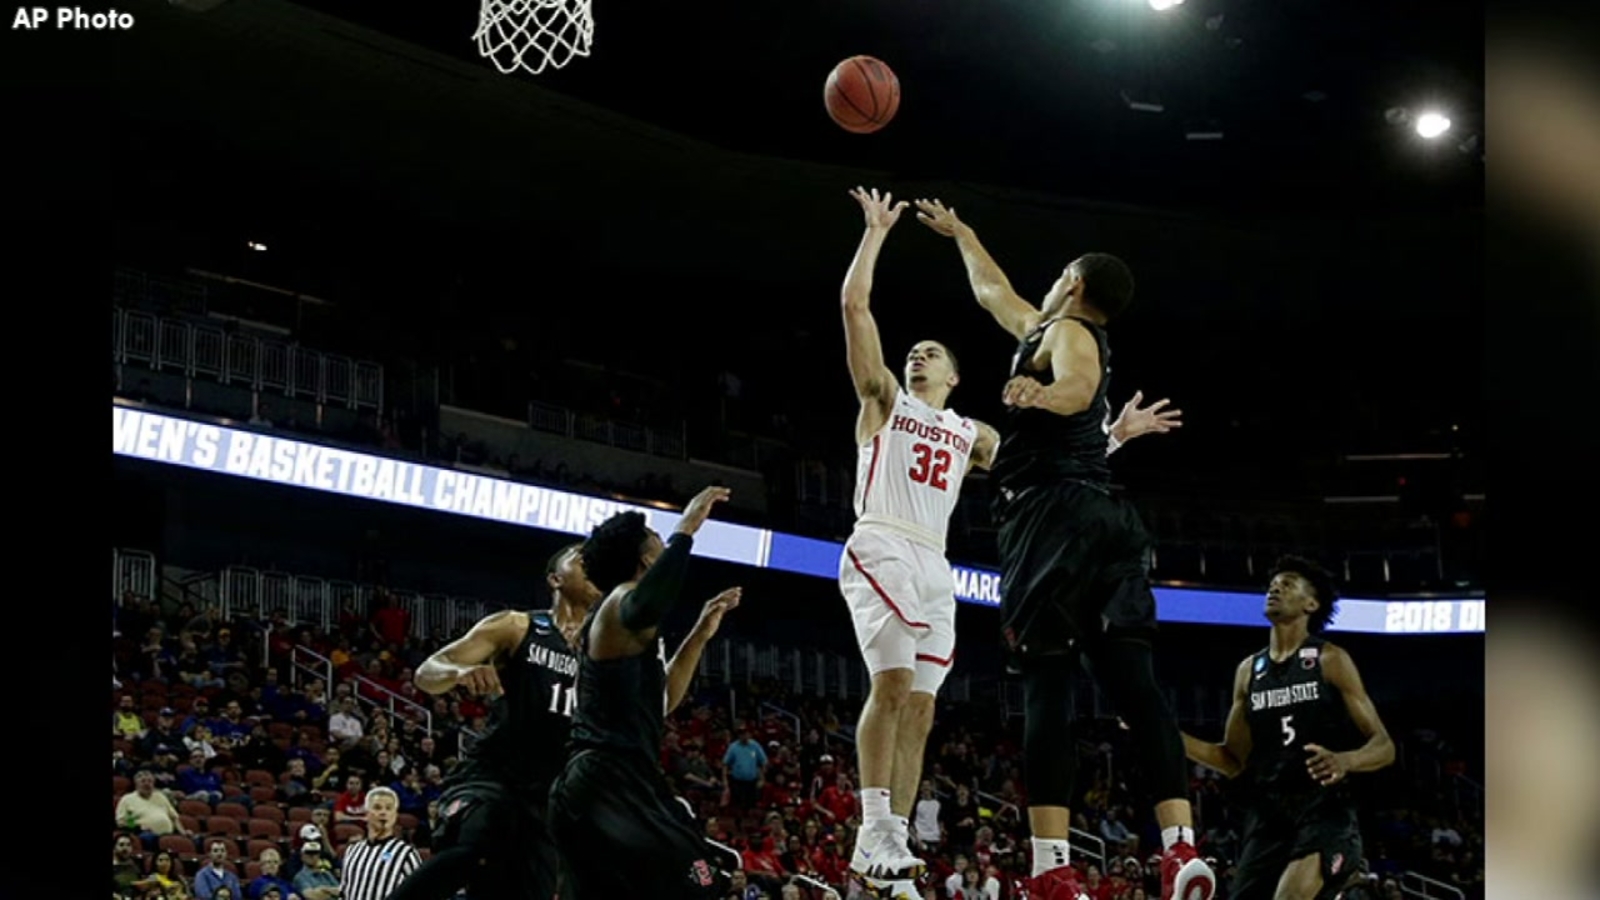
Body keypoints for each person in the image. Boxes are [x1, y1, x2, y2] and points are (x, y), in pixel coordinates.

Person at [914, 197, 1208, 900]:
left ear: (1073, 282)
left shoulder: (1070, 332)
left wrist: (1043, 398)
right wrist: (965, 233)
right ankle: (1181, 849)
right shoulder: (1047, 328)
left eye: (1056, 276)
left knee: (1048, 687)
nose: (1044, 286)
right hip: (1108, 520)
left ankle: (1052, 867)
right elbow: (996, 295)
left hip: (1050, 522)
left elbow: (1074, 386)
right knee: (1136, 687)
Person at [835, 186, 1001, 897]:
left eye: (932, 353)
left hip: (936, 564)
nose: (919, 356)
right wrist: (875, 234)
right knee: (893, 685)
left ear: (955, 378)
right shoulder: (883, 402)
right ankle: (871, 826)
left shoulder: (973, 434)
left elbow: (1045, 463)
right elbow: (854, 310)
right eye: (915, 352)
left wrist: (1111, 436)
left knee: (924, 709)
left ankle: (893, 845)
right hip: (881, 543)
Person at [548, 486, 745, 899]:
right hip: (607, 781)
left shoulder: (628, 628)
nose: (661, 538)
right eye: (656, 535)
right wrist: (687, 527)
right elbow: (651, 600)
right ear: (645, 557)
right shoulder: (620, 602)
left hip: (608, 785)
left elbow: (664, 702)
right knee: (702, 880)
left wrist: (700, 633)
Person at [386, 542, 600, 900]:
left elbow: (663, 703)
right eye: (581, 558)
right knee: (476, 845)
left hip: (550, 797)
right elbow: (427, 672)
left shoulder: (604, 655)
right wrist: (461, 669)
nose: (592, 564)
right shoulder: (517, 626)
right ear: (555, 579)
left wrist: (698, 636)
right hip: (494, 776)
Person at [1182, 556, 1395, 900]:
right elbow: (1232, 760)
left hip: (1325, 810)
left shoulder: (1330, 660)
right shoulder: (1249, 671)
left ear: (1311, 603)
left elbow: (1384, 746)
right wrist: (1162, 735)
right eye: (1273, 584)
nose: (1275, 587)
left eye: (1288, 583)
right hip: (1269, 817)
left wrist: (1346, 761)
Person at [339, 786, 423, 900]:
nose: (383, 813)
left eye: (389, 808)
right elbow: (343, 892)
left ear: (395, 815)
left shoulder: (406, 853)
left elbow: (421, 892)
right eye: (377, 808)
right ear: (367, 813)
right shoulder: (352, 851)